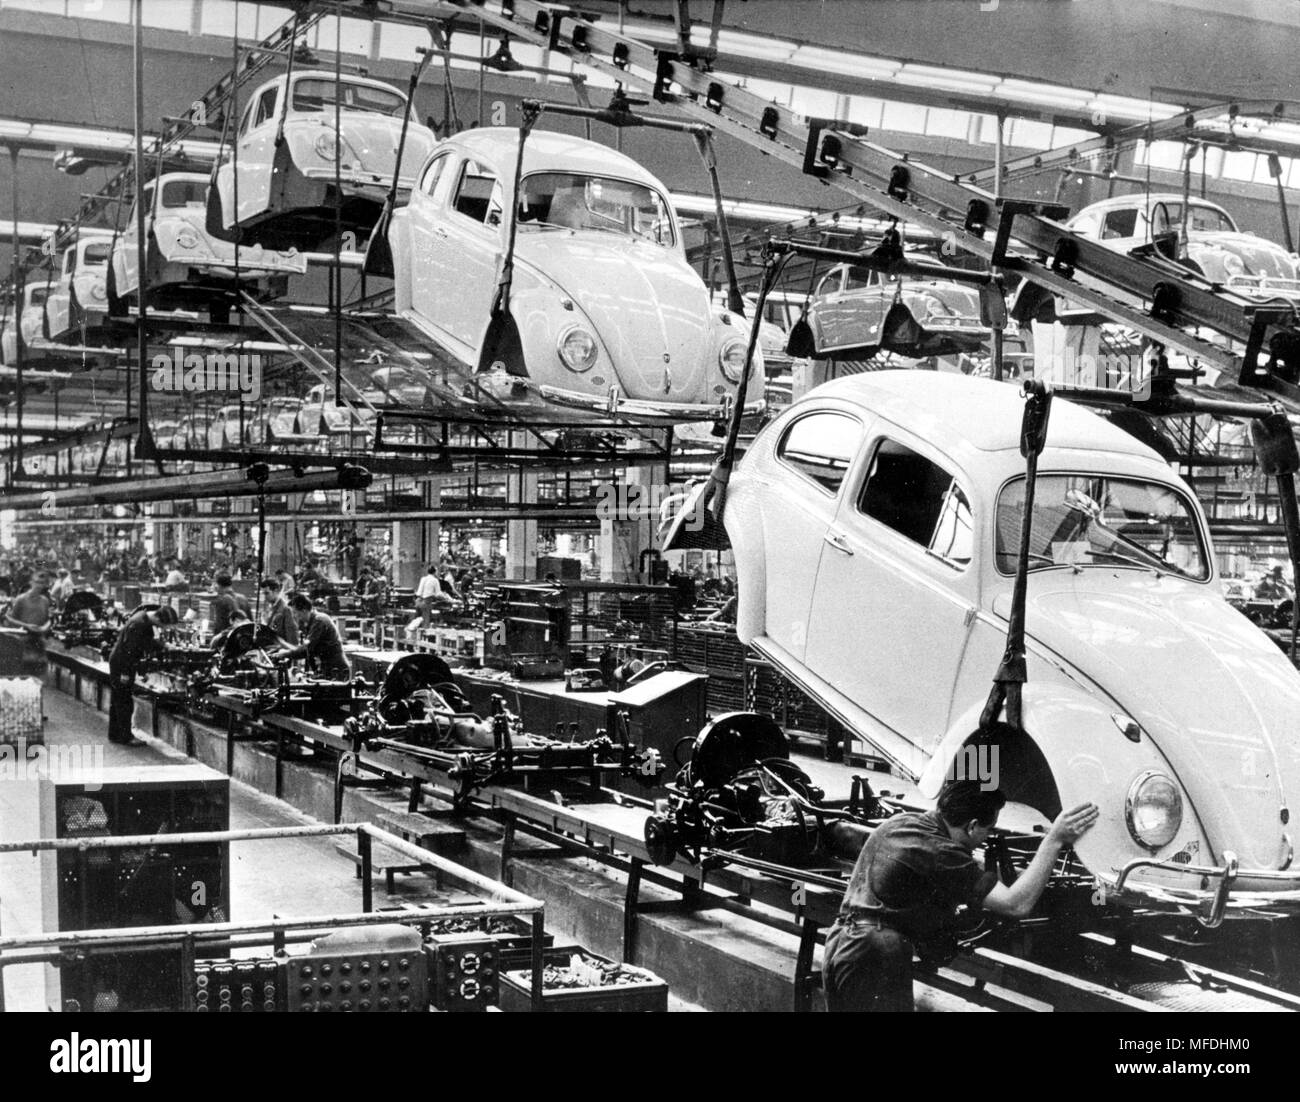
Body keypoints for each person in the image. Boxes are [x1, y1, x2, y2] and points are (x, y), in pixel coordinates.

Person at [823, 779, 1099, 1012]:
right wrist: (1053, 841)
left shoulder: (901, 823)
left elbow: (960, 872)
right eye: (988, 830)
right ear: (972, 825)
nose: (986, 837)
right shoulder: (941, 853)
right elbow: (1016, 904)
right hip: (875, 953)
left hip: (839, 942)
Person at [106, 605, 179, 746]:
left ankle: (116, 735)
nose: (163, 628)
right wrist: (127, 674)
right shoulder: (139, 624)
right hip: (123, 664)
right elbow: (129, 651)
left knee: (118, 699)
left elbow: (147, 641)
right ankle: (125, 737)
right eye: (163, 625)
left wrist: (164, 646)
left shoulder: (143, 617)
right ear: (158, 618)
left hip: (119, 661)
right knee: (124, 701)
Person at [275, 593, 350, 680]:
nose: (294, 616)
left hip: (337, 671)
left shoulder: (319, 621)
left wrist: (285, 653)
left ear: (304, 610)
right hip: (328, 669)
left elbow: (306, 649)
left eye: (295, 613)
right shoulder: (311, 622)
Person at [6, 571, 53, 674]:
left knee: (39, 674)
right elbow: (10, 619)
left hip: (39, 642)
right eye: (37, 582)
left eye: (42, 583)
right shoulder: (21, 599)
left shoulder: (44, 601)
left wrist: (45, 627)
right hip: (23, 641)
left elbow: (49, 619)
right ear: (31, 583)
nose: (39, 585)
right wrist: (27, 626)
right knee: (24, 673)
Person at [259, 577, 299, 646]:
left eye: (267, 593)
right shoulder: (269, 606)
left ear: (276, 591)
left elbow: (292, 638)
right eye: (263, 593)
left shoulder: (286, 609)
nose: (265, 597)